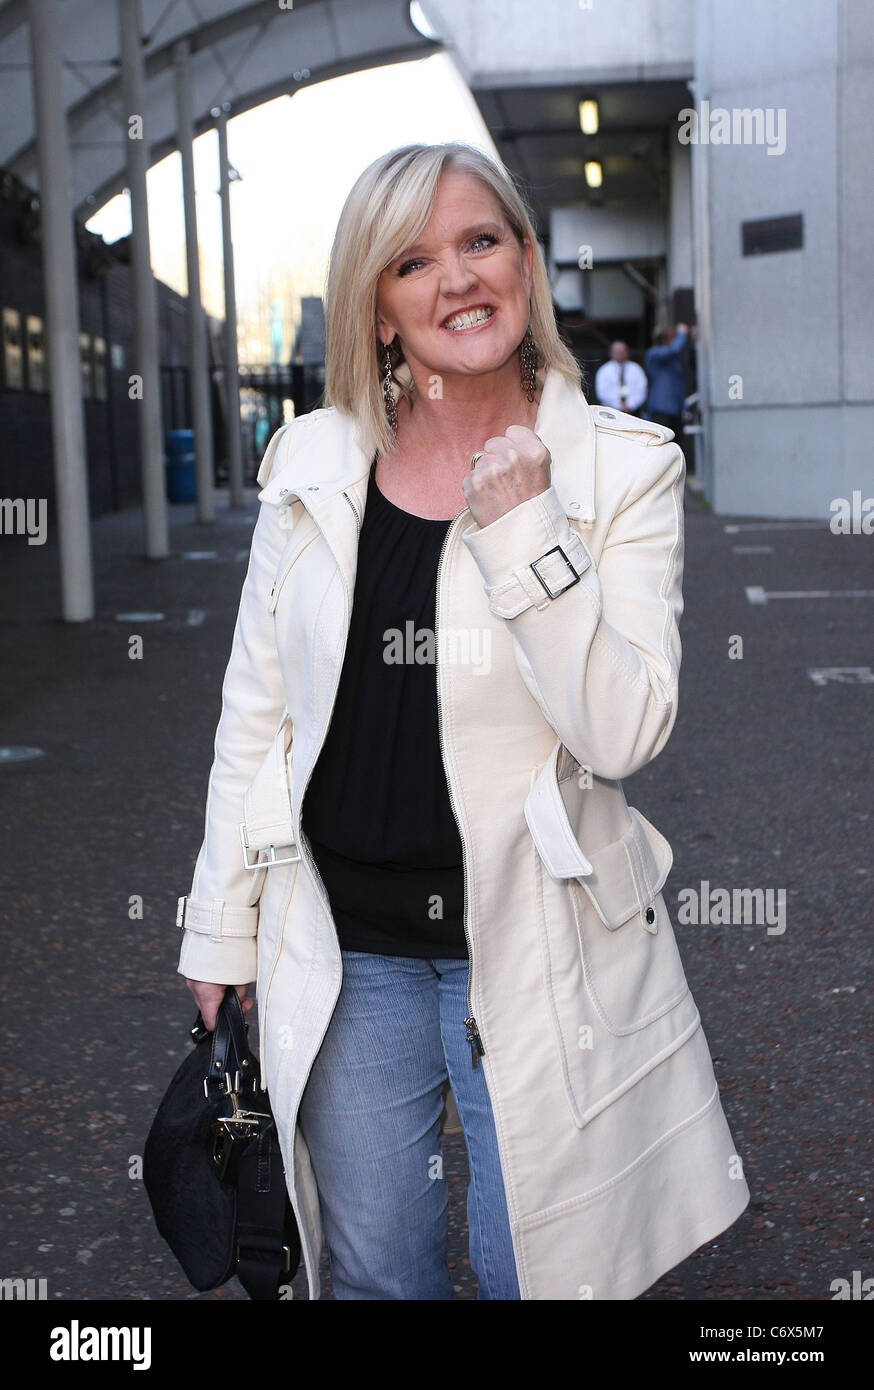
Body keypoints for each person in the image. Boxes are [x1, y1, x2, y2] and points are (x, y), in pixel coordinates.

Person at [177, 142, 749, 1301]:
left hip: (538, 948)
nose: (457, 279)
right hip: (347, 947)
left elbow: (625, 729)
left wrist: (529, 528)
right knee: (375, 1275)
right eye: (413, 260)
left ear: (526, 265)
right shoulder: (309, 462)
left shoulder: (621, 472)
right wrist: (217, 933)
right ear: (378, 310)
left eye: (481, 241)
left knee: (538, 1270)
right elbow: (256, 717)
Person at [644, 322, 690, 441]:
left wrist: (684, 409)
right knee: (663, 445)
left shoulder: (673, 360)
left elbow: (678, 386)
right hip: (661, 410)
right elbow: (672, 351)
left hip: (676, 410)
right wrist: (682, 334)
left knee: (677, 446)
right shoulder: (654, 353)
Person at [594, 340, 647, 414]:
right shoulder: (604, 370)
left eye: (622, 351)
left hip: (634, 412)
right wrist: (618, 406)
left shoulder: (636, 369)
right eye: (617, 351)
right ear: (611, 353)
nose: (620, 354)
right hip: (611, 412)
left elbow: (641, 389)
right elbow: (602, 393)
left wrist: (630, 405)